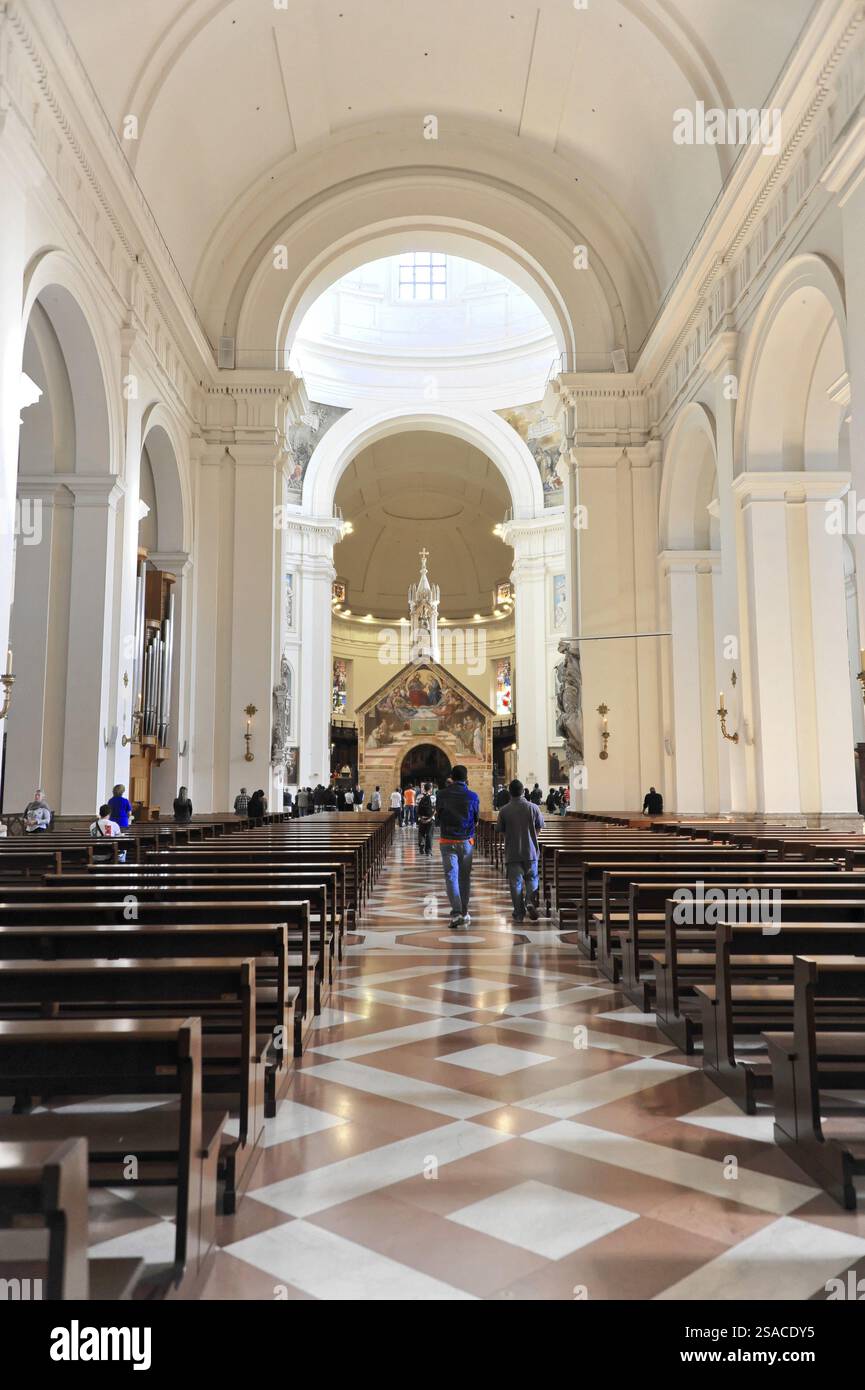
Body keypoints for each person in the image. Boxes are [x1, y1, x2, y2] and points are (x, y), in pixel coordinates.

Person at [436, 764, 479, 929]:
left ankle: (456, 913)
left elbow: (438, 818)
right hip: (466, 841)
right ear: (466, 778)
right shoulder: (473, 796)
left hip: (447, 841)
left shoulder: (442, 794)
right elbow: (476, 819)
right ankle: (465, 912)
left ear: (451, 778)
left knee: (451, 877)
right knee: (464, 878)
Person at [497, 779, 544, 922]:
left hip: (513, 851)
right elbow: (539, 827)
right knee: (532, 879)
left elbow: (501, 831)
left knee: (515, 883)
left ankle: (518, 914)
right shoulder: (534, 807)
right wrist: (532, 837)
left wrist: (510, 837)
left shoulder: (504, 810)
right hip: (530, 851)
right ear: (523, 791)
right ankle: (529, 900)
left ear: (510, 793)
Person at [416, 782, 434, 856]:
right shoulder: (433, 797)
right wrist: (429, 818)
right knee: (429, 834)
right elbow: (435, 809)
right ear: (430, 789)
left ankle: (421, 844)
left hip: (421, 818)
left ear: (424, 788)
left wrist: (420, 817)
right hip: (430, 819)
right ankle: (428, 851)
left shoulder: (419, 797)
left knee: (421, 832)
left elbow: (417, 808)